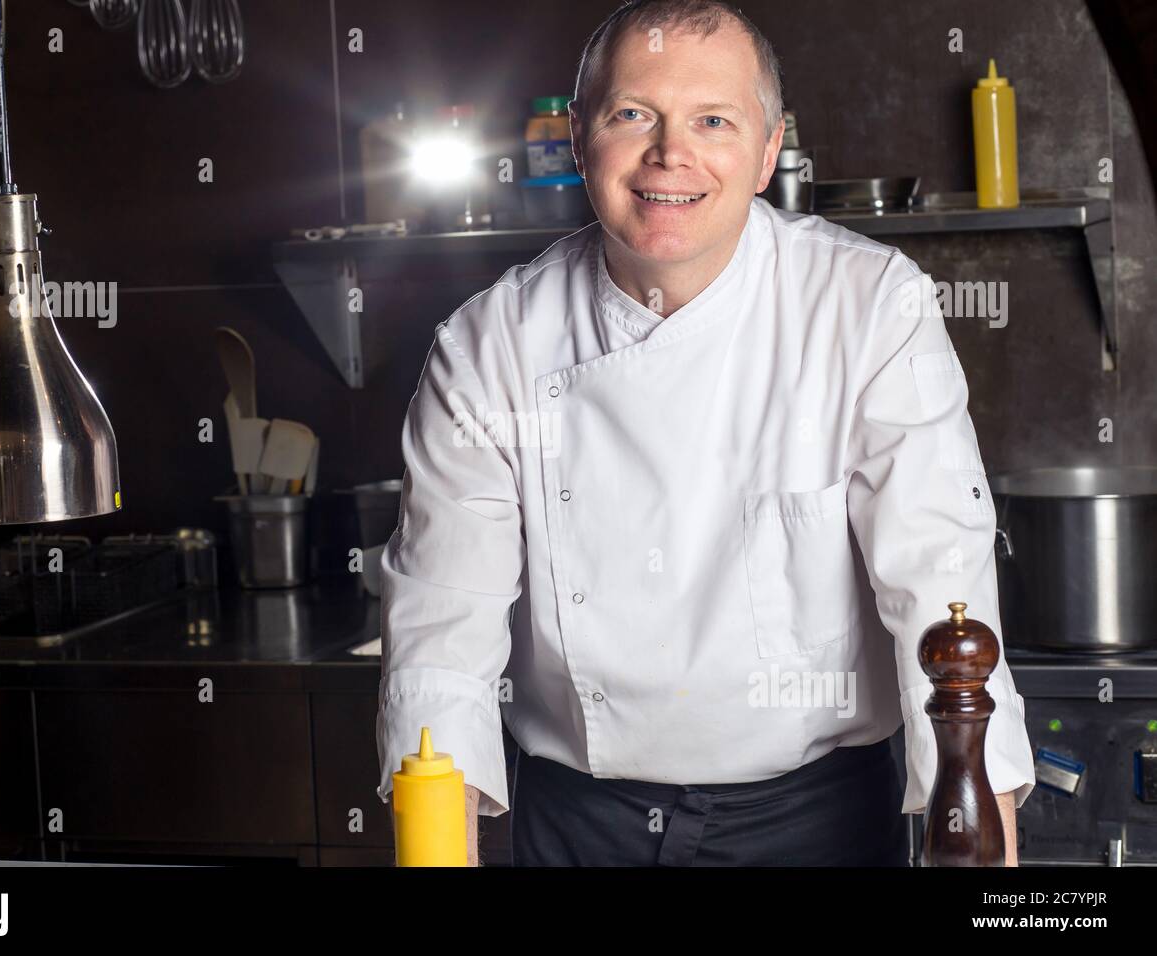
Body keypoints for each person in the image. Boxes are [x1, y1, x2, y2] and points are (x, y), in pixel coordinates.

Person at [376, 0, 1035, 866]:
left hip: (817, 824)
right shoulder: (488, 346)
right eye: (631, 116)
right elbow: (443, 638)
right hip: (580, 828)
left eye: (713, 120)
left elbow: (942, 605)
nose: (669, 155)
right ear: (580, 140)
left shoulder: (870, 308)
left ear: (768, 152)